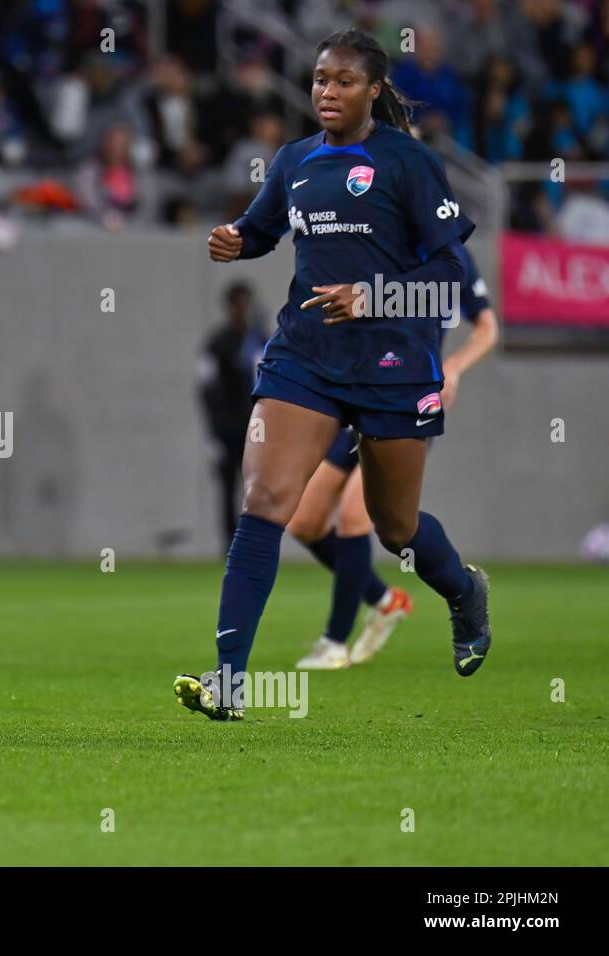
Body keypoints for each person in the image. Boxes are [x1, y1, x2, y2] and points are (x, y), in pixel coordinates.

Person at [174, 29, 492, 721]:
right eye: (319, 79)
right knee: (264, 501)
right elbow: (262, 230)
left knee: (395, 528)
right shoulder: (294, 161)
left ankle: (464, 592)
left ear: (373, 89)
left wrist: (373, 294)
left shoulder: (408, 162)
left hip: (394, 364)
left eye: (344, 81)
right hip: (306, 359)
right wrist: (235, 239)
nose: (326, 91)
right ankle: (229, 679)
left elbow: (445, 275)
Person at [291, 244, 500, 670]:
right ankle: (385, 601)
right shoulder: (377, 237)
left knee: (356, 516)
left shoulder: (452, 253)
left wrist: (454, 367)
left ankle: (335, 642)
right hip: (357, 395)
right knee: (305, 521)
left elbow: (488, 327)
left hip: (407, 397)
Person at [197, 281, 267, 553]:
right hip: (228, 429)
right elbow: (206, 389)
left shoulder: (260, 339)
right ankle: (229, 544)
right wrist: (213, 434)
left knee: (259, 489)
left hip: (257, 427)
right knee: (228, 488)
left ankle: (255, 544)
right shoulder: (217, 343)